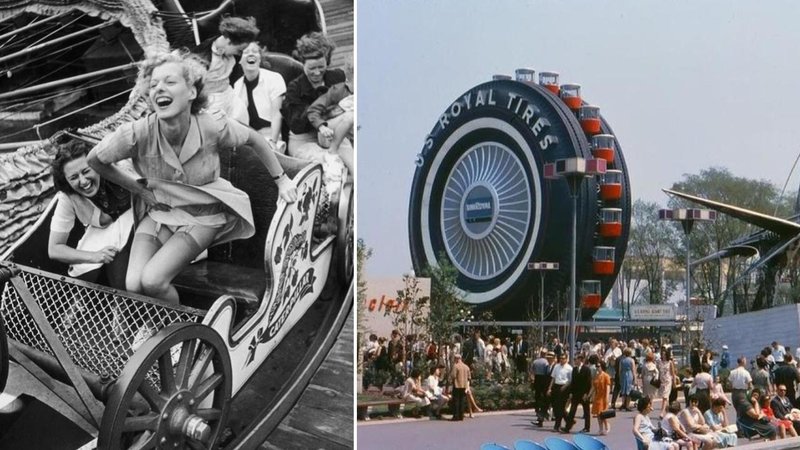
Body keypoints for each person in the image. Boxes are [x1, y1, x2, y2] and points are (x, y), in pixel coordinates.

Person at [87, 50, 296, 309]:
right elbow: (95, 160)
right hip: (160, 212)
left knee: (153, 281)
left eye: (170, 82)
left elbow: (255, 139)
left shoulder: (212, 125)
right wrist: (138, 190)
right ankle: (160, 326)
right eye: (153, 84)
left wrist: (282, 180)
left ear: (192, 92)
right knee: (133, 284)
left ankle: (183, 329)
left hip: (203, 215)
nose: (159, 88)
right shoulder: (136, 133)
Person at [48, 139, 134, 290]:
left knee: (123, 273)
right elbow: (54, 248)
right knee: (90, 272)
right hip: (106, 233)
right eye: (73, 177)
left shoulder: (122, 167)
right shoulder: (68, 196)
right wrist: (94, 256)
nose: (83, 181)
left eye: (86, 171)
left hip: (139, 219)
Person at [283, 31, 346, 156]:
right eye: (311, 68)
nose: (317, 73)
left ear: (327, 61)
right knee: (328, 160)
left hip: (334, 134)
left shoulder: (338, 77)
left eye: (321, 67)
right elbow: (296, 126)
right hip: (304, 140)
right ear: (302, 64)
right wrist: (326, 114)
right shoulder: (294, 88)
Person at [231, 41, 286, 148]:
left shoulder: (274, 78)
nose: (251, 54)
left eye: (255, 51)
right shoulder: (237, 85)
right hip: (248, 138)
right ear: (240, 60)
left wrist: (273, 142)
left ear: (260, 58)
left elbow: (277, 114)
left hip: (271, 136)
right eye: (246, 52)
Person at [305, 59, 354, 175]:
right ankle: (332, 152)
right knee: (351, 116)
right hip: (329, 133)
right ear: (347, 81)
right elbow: (312, 110)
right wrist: (322, 127)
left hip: (347, 136)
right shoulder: (337, 91)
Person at [204, 16, 259, 115]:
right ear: (228, 41)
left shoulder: (233, 55)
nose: (240, 54)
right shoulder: (202, 56)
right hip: (210, 101)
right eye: (239, 50)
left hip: (230, 95)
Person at [564, 353, 592, 433]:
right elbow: (573, 382)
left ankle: (587, 427)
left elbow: (589, 383)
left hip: (584, 394)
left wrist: (587, 394)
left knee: (586, 411)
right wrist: (571, 392)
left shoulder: (587, 369)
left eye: (575, 359)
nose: (574, 361)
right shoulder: (574, 369)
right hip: (576, 394)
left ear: (580, 360)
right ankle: (567, 427)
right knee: (572, 411)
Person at [548, 353, 572, 432]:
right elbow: (553, 378)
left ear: (566, 359)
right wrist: (549, 388)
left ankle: (557, 425)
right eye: (561, 358)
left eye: (563, 358)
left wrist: (565, 386)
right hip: (556, 386)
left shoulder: (569, 368)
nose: (561, 360)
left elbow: (570, 380)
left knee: (561, 407)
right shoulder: (556, 366)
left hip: (564, 387)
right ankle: (569, 421)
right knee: (556, 406)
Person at [591, 360, 612, 435]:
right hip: (597, 397)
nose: (597, 368)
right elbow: (593, 387)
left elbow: (608, 387)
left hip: (603, 397)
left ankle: (607, 426)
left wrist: (607, 397)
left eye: (598, 366)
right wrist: (589, 395)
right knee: (598, 414)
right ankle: (600, 429)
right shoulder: (596, 376)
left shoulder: (606, 376)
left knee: (603, 414)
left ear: (602, 366)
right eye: (596, 366)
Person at [657, 347, 678, 419]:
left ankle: (662, 412)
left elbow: (673, 373)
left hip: (668, 381)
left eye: (664, 354)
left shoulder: (670, 362)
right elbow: (658, 371)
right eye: (662, 354)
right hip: (661, 381)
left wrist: (674, 382)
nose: (663, 356)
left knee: (665, 397)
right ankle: (667, 411)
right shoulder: (659, 362)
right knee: (664, 397)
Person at [449, 353, 470, 421]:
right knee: (462, 401)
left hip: (457, 385)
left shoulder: (455, 366)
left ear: (456, 359)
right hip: (464, 385)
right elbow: (469, 377)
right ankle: (461, 416)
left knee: (456, 401)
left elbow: (453, 376)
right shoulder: (466, 367)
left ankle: (456, 416)